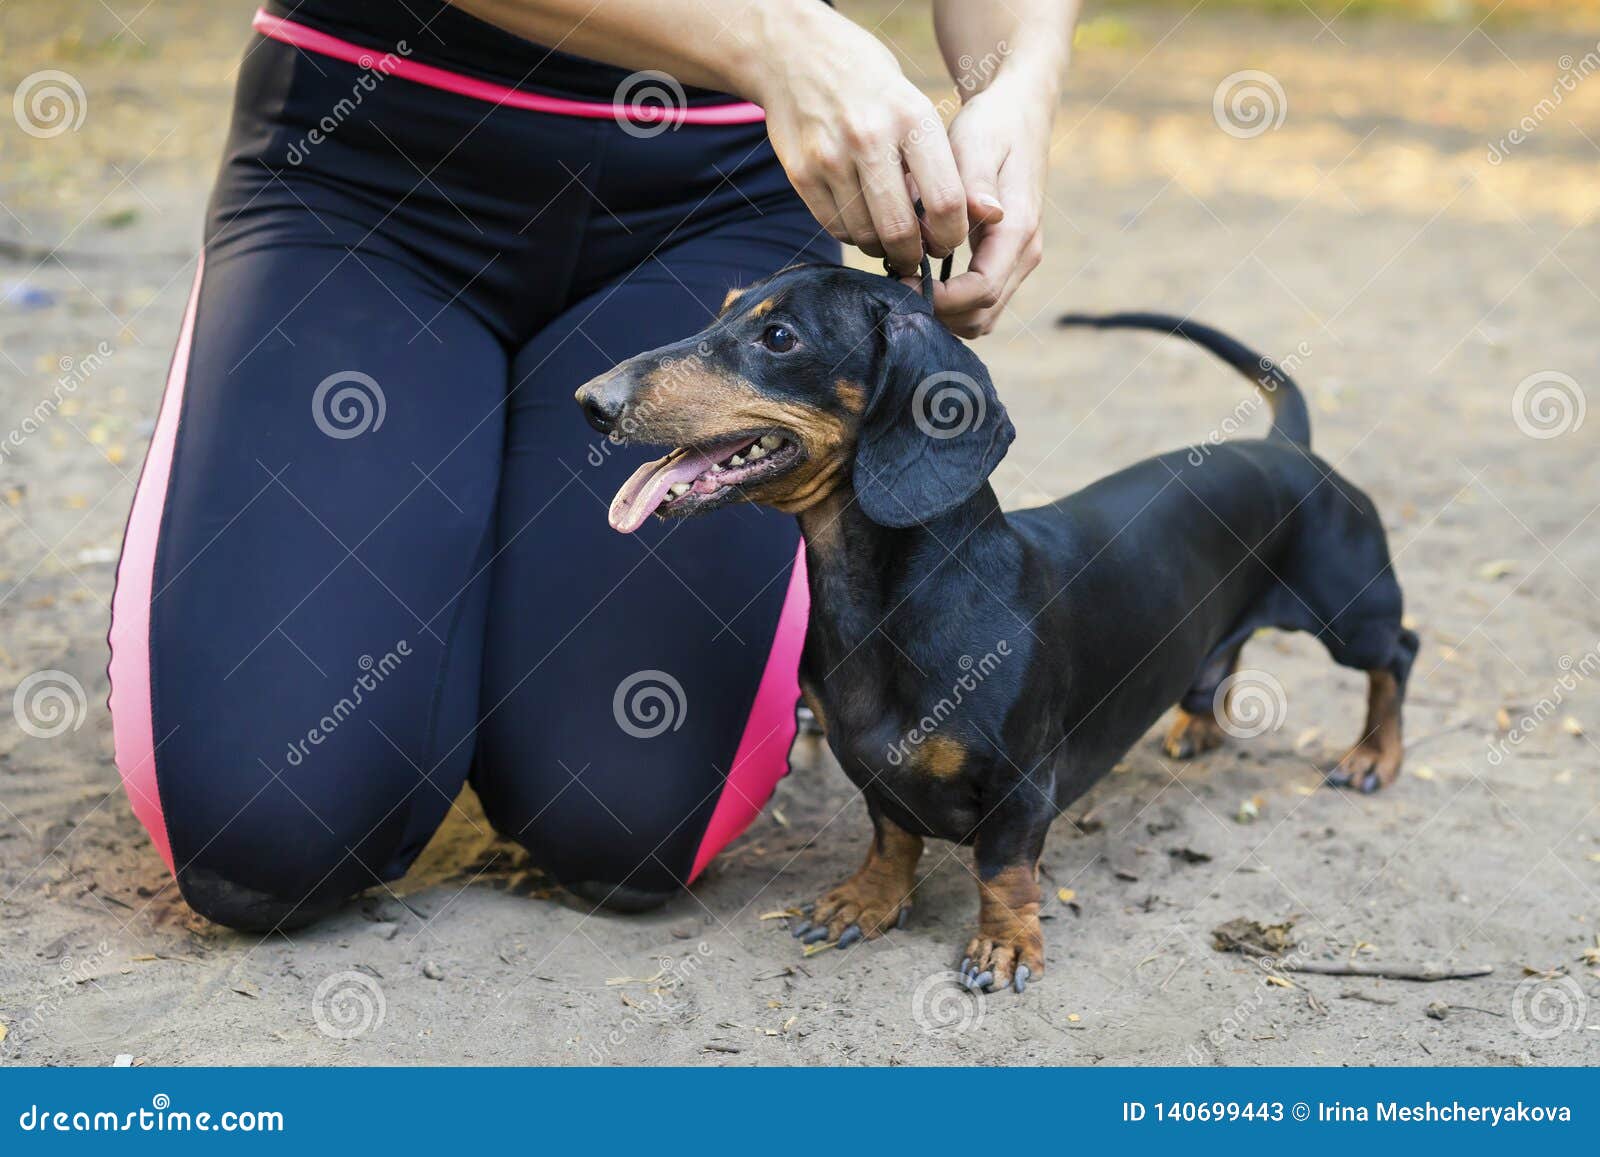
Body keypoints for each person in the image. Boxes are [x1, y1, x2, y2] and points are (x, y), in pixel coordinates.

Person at [107, 0, 1079, 931]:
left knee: (621, 819)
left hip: (718, 199)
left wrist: (1014, 89)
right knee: (265, 831)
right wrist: (769, 30)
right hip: (369, 169)